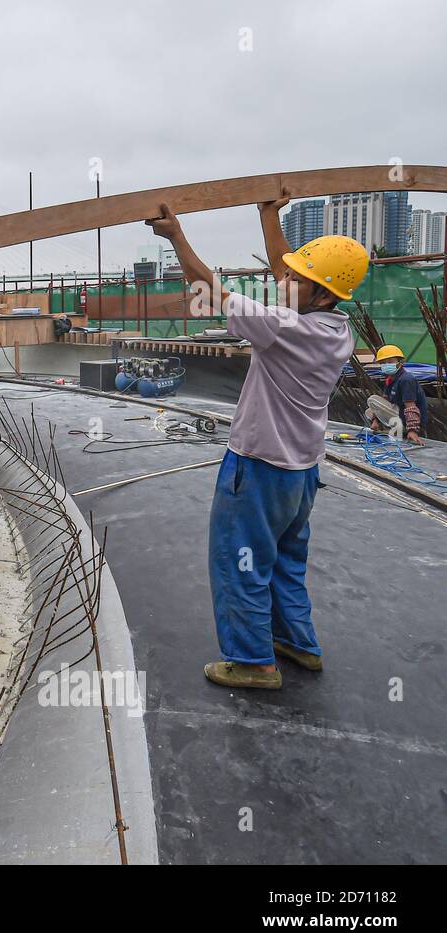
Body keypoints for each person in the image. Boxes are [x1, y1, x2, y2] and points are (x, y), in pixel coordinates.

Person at [146, 197, 370, 690]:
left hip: (260, 467)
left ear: (322, 293)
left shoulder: (284, 327)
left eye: (295, 279)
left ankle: (252, 662)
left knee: (240, 557)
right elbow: (288, 271)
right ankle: (297, 643)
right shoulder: (335, 327)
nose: (281, 282)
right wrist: (269, 213)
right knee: (285, 560)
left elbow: (209, 291)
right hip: (302, 472)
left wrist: (176, 237)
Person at [364, 344, 427, 445]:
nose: (386, 365)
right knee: (369, 411)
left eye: (390, 362)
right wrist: (376, 420)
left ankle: (405, 430)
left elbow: (411, 407)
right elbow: (386, 401)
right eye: (383, 363)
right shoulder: (390, 379)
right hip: (398, 416)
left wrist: (413, 431)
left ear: (400, 363)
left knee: (372, 400)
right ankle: (389, 428)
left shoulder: (406, 379)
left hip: (408, 422)